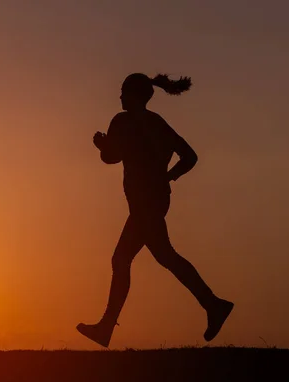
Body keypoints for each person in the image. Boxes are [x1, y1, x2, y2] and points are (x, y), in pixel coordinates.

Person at [76, 73, 233, 348]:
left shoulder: (123, 121)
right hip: (157, 199)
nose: (120, 97)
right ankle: (213, 305)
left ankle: (106, 328)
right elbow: (190, 156)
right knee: (161, 257)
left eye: (124, 92)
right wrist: (168, 176)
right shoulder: (157, 123)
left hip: (144, 202)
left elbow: (111, 157)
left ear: (135, 95)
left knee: (125, 259)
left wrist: (102, 144)